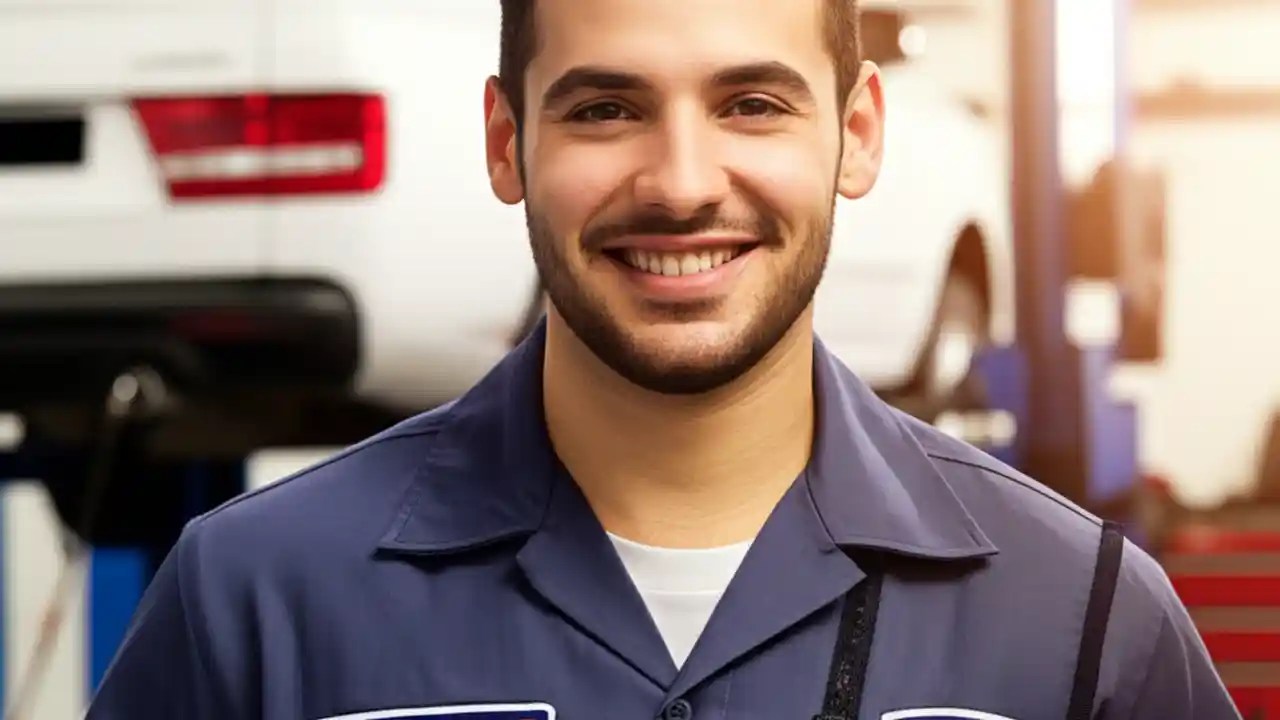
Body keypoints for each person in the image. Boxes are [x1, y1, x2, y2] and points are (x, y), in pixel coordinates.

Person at [86, 0, 1241, 718]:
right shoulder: (253, 604)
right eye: (603, 109)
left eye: (748, 103)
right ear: (507, 142)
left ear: (854, 134)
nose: (682, 181)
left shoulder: (1074, 616)